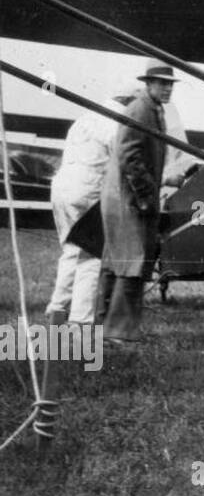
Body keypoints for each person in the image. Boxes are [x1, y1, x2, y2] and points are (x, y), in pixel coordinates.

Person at [100, 61, 187, 342]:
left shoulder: (152, 109)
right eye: (162, 83)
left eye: (170, 84)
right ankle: (120, 333)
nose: (167, 88)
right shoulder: (140, 109)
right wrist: (146, 197)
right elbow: (130, 156)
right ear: (148, 84)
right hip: (129, 200)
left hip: (123, 198)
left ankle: (103, 324)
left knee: (116, 262)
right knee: (133, 263)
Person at [43, 91, 133, 325]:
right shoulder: (115, 125)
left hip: (61, 187)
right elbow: (125, 163)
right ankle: (80, 322)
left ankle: (57, 310)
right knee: (92, 256)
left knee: (71, 250)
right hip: (88, 191)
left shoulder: (83, 120)